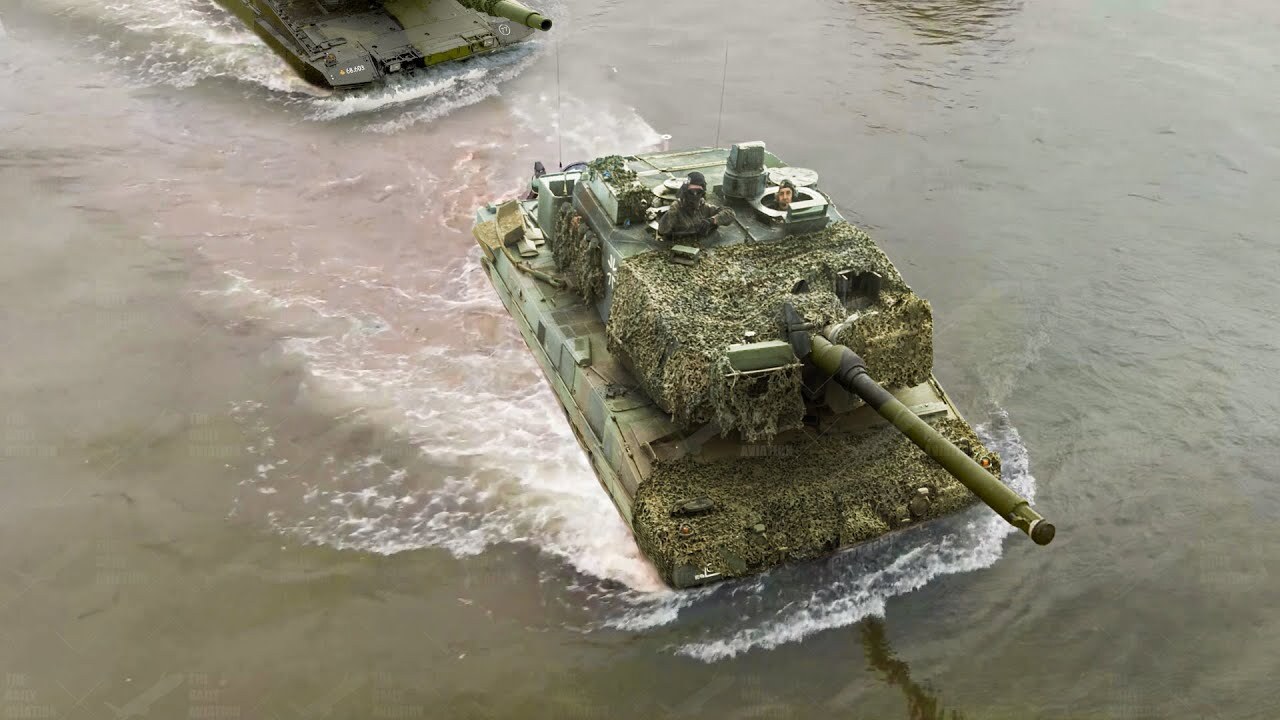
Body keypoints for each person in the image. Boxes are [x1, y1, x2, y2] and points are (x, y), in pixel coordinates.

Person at [657, 171, 732, 241]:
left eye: (698, 192)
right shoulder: (676, 209)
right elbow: (662, 230)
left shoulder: (704, 208)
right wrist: (672, 212)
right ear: (685, 192)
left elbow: (729, 213)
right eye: (691, 192)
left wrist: (712, 221)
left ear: (702, 194)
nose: (694, 195)